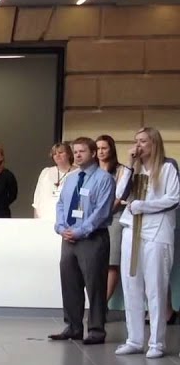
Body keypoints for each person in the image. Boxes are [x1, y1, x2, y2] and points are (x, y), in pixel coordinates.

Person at [115, 127, 179, 359]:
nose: (138, 146)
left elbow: (173, 199)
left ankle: (156, 342)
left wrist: (144, 206)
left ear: (154, 143)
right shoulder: (133, 168)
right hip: (133, 230)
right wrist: (130, 166)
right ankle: (134, 339)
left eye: (143, 141)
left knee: (155, 286)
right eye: (136, 141)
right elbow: (120, 194)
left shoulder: (168, 166)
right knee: (131, 284)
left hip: (157, 232)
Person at [49, 137, 116, 345]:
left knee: (94, 284)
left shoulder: (104, 179)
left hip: (92, 237)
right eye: (75, 151)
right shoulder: (71, 179)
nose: (77, 155)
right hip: (69, 238)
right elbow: (61, 205)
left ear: (93, 153)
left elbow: (101, 212)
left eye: (82, 152)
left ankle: (96, 329)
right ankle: (73, 326)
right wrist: (60, 227)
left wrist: (79, 231)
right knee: (69, 282)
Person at [97, 134, 129, 305]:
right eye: (98, 148)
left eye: (104, 148)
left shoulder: (122, 170)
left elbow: (119, 197)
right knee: (95, 264)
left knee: (112, 262)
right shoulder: (90, 170)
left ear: (111, 149)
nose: (101, 152)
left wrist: (102, 213)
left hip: (113, 217)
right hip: (92, 221)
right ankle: (94, 304)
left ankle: (102, 305)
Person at [33, 142, 73, 222]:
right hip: (44, 219)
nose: (57, 155)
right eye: (54, 154)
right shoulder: (46, 172)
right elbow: (37, 199)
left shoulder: (78, 173)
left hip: (66, 221)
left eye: (61, 152)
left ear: (69, 154)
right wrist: (35, 220)